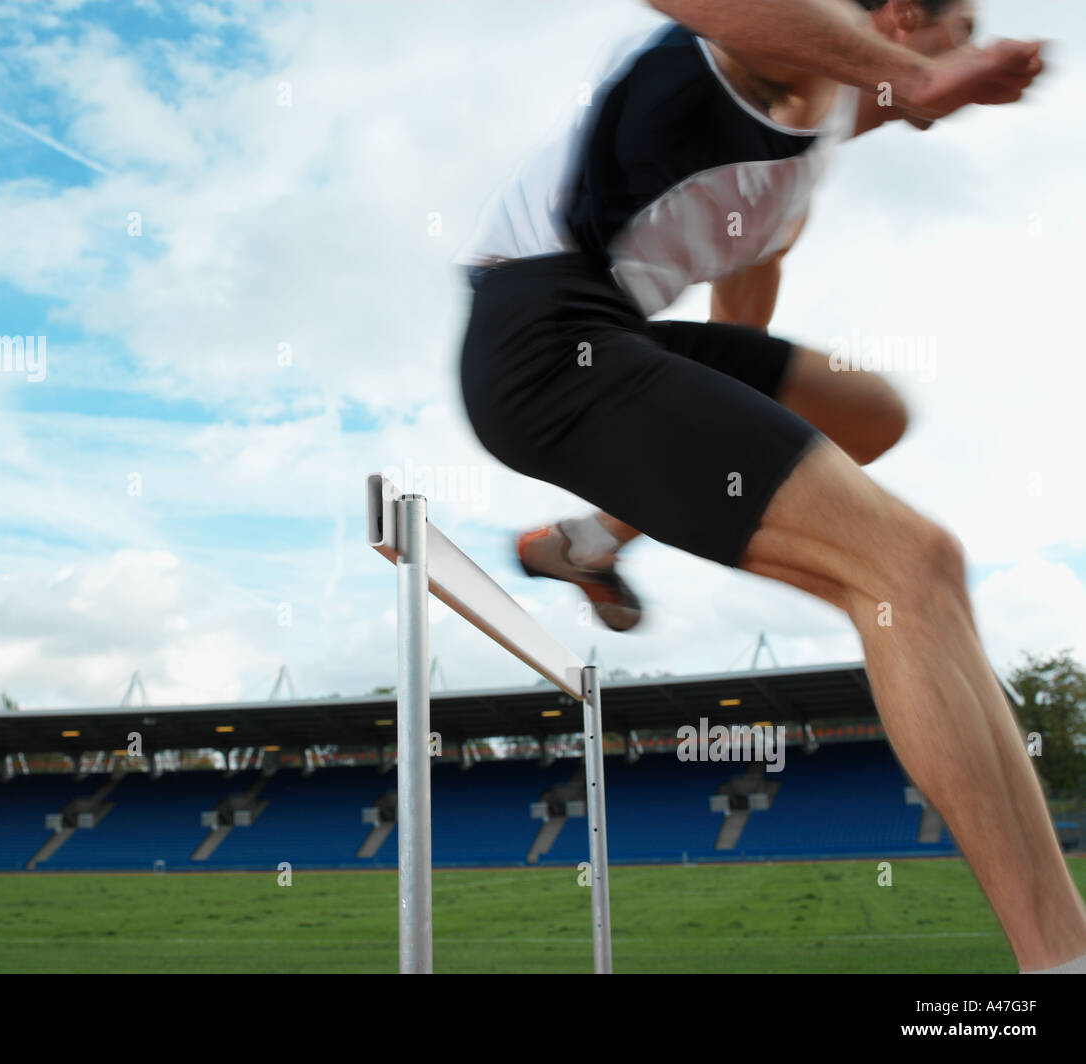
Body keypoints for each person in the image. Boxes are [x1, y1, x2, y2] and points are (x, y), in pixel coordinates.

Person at [455, 0, 1086, 974]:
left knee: (872, 410)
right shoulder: (791, 57)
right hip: (540, 344)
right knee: (909, 567)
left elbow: (739, 324)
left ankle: (588, 539)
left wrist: (728, 430)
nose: (975, 51)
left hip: (613, 333)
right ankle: (1057, 960)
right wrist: (913, 76)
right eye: (960, 27)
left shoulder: (801, 165)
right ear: (898, 18)